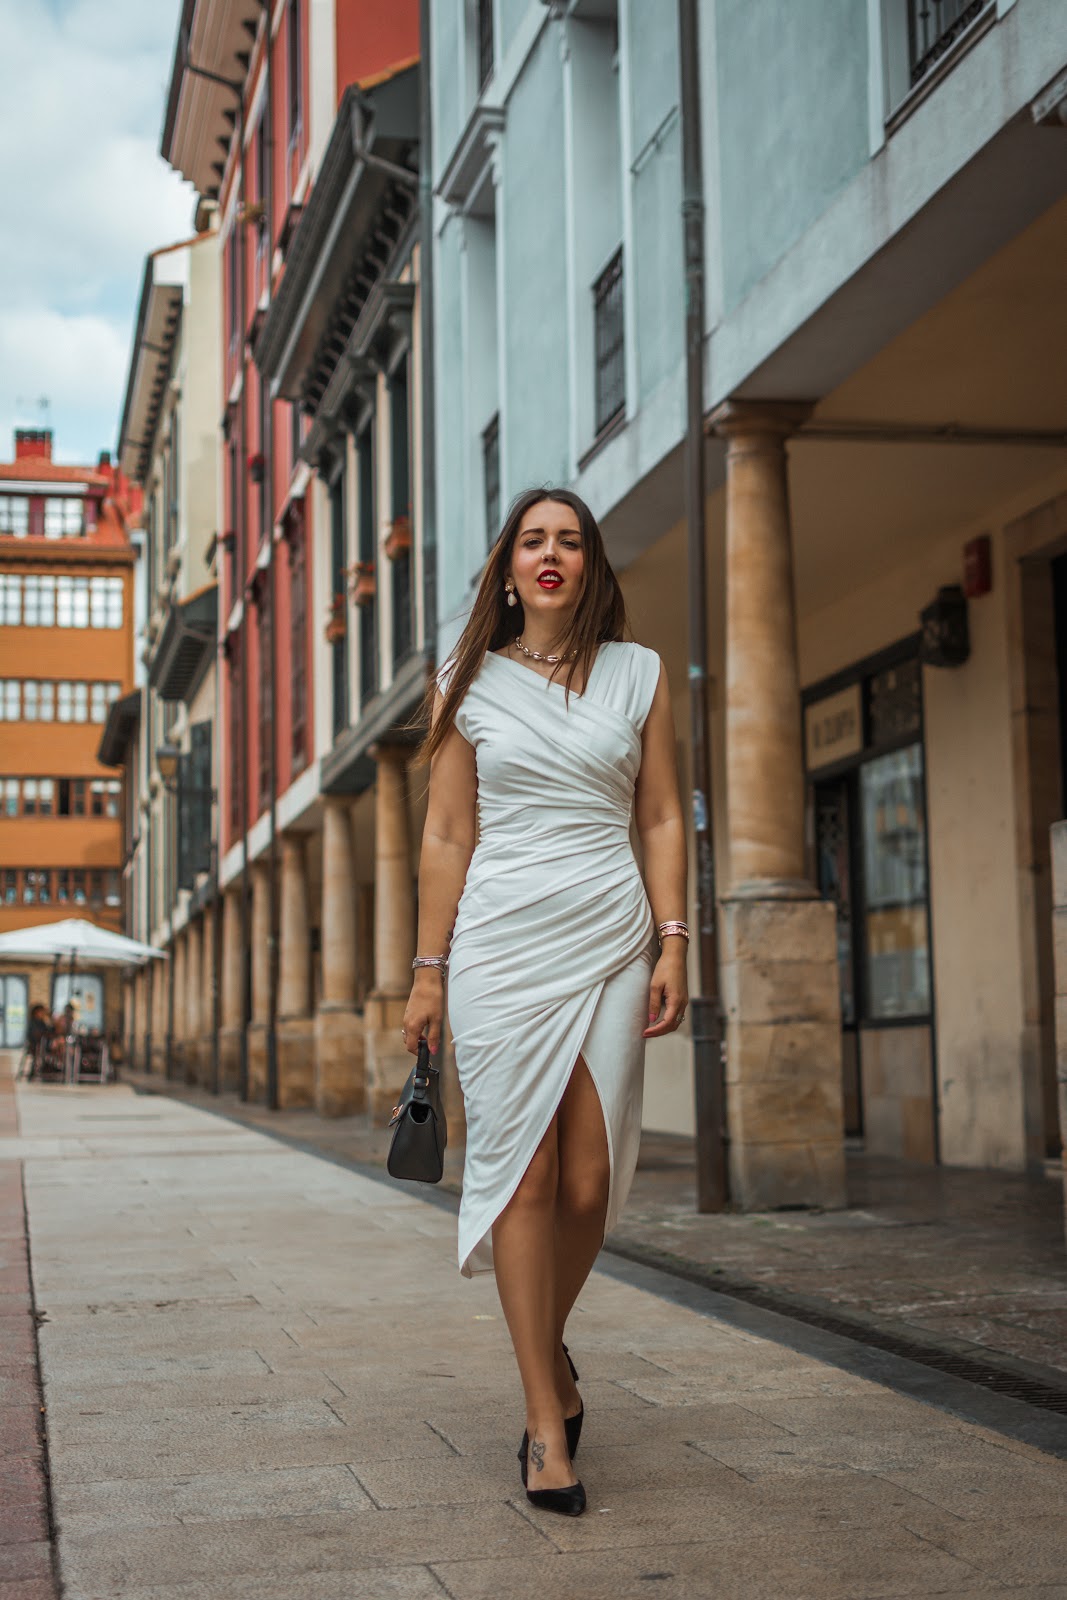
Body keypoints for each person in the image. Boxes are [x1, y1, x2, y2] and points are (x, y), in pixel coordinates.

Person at [403, 487, 688, 1518]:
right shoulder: (468, 682)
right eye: (533, 540)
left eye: (568, 539)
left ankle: (547, 1347)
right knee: (521, 1175)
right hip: (498, 943)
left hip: (612, 935)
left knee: (586, 1183)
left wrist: (673, 939)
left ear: (590, 562)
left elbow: (658, 813)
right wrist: (428, 969)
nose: (550, 554)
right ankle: (541, 1418)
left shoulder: (639, 672)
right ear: (509, 566)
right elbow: (446, 836)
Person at [16, 1003, 50, 1081]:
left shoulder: (42, 1022)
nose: (43, 1014)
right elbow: (36, 1034)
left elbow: (48, 1031)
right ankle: (45, 1070)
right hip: (34, 1046)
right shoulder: (33, 1022)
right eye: (42, 1012)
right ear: (36, 1012)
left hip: (41, 1045)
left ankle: (46, 1069)